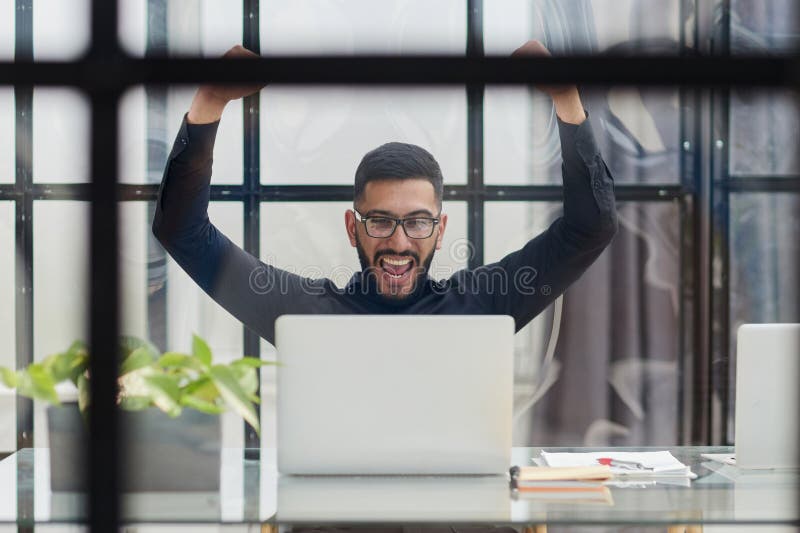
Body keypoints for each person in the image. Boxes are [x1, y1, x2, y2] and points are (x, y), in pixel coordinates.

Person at [152, 40, 618, 347]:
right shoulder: (302, 314)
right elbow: (182, 231)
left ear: (441, 229)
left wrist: (567, 100)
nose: (398, 243)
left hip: (457, 498)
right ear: (353, 228)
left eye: (417, 222)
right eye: (380, 221)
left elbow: (589, 228)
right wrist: (208, 103)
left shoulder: (485, 305)